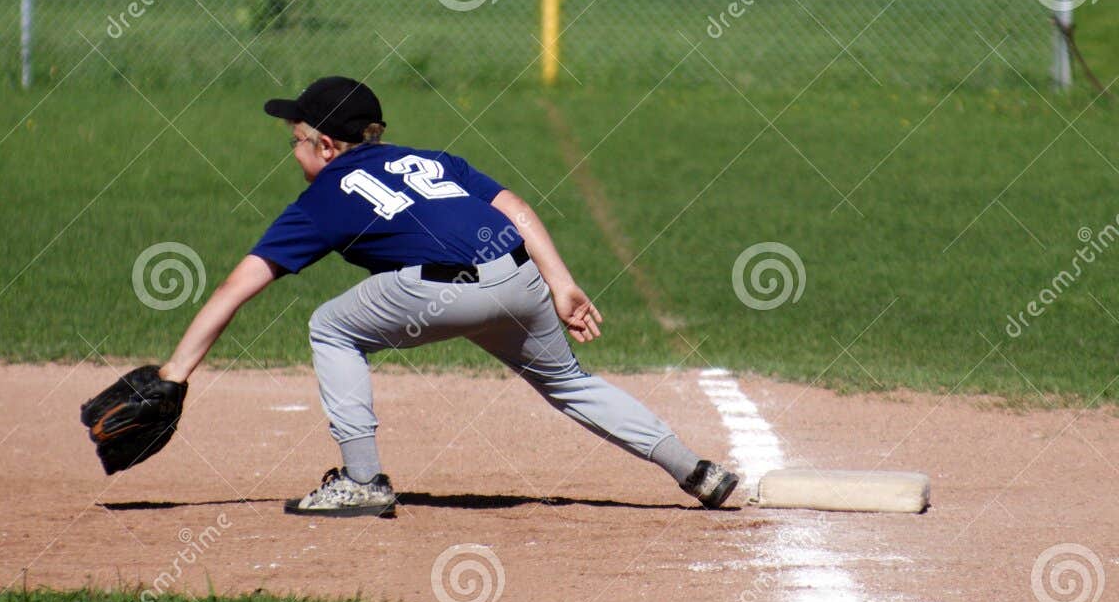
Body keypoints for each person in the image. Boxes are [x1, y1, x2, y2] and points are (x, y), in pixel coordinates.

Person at [158, 76, 739, 518]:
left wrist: (175, 372)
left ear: (327, 146)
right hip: (519, 278)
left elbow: (238, 286)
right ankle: (697, 471)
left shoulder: (323, 197)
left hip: (441, 289)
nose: (294, 152)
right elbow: (516, 209)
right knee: (571, 384)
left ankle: (362, 481)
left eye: (296, 141)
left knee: (331, 328)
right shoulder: (433, 160)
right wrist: (560, 282)